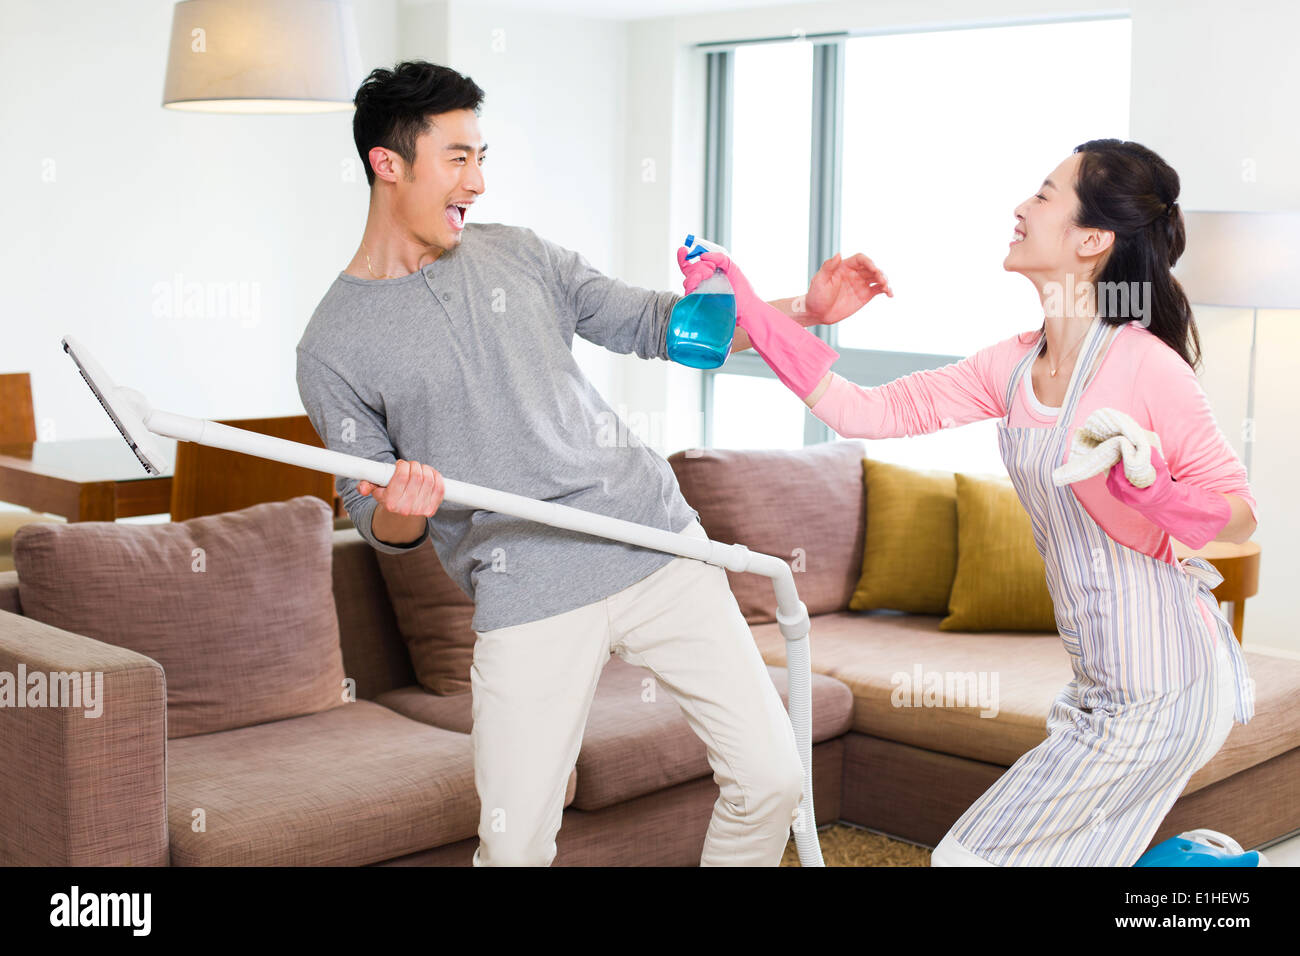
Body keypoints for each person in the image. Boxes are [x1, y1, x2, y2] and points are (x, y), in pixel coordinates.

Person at [294, 60, 892, 866]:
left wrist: (804, 313)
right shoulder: (332, 343)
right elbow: (377, 521)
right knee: (513, 849)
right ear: (387, 164)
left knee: (772, 779)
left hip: (656, 541)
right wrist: (404, 500)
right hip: (526, 583)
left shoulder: (520, 254)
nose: (478, 180)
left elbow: (665, 325)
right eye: (459, 157)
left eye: (482, 156)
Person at [683, 139, 1258, 867]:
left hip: (1167, 684)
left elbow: (1239, 512)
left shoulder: (1146, 365)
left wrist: (1159, 495)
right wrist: (755, 312)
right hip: (1101, 687)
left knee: (967, 859)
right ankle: (1206, 870)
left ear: (1092, 239)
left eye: (1045, 195)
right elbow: (862, 412)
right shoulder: (1011, 365)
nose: (1021, 207)